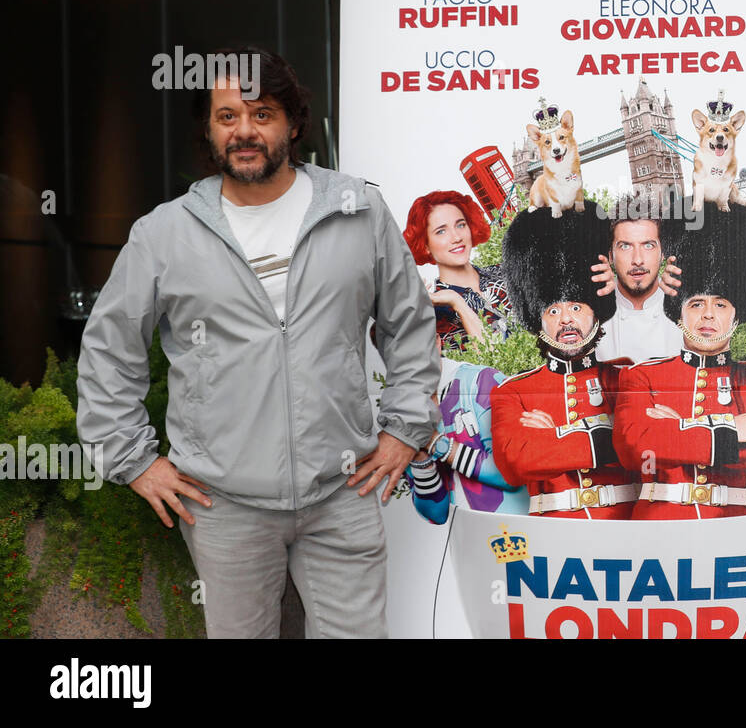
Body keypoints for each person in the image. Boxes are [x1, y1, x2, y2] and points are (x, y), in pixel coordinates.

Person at [76, 47, 440, 638]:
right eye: (227, 117)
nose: (244, 131)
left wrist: (405, 430)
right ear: (209, 128)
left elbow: (410, 324)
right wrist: (134, 461)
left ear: (293, 124)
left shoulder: (357, 210)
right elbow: (108, 352)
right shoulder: (164, 234)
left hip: (342, 491)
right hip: (223, 504)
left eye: (262, 113)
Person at [615, 204, 746, 519]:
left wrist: (675, 428)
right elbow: (634, 449)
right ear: (678, 312)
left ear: (737, 315)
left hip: (736, 525)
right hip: (660, 526)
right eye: (696, 303)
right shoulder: (641, 377)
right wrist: (733, 427)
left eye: (721, 304)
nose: (708, 314)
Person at [490, 208, 636, 518]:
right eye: (553, 312)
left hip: (625, 527)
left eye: (576, 306)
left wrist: (554, 435)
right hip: (553, 536)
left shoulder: (624, 380)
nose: (566, 319)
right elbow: (517, 465)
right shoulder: (512, 394)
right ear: (538, 321)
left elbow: (638, 446)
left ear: (595, 314)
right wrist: (605, 431)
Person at [405, 354, 528, 526]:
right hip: (467, 540)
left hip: (520, 537)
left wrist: (436, 444)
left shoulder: (482, 381)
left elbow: (509, 474)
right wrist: (420, 461)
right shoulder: (408, 410)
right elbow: (436, 515)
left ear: (436, 341)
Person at [402, 190, 511, 350]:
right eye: (441, 231)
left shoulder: (506, 272)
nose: (456, 237)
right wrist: (457, 302)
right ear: (425, 246)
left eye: (460, 225)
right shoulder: (436, 316)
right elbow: (492, 363)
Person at [590, 202, 684, 363]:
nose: (637, 260)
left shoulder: (686, 310)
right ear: (610, 256)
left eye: (648, 245)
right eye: (625, 246)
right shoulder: (590, 313)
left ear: (663, 253)